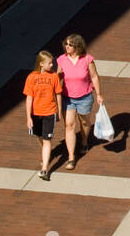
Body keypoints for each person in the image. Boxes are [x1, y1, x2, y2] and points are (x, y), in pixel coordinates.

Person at [57, 34, 103, 170]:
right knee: (69, 125)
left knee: (84, 122)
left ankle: (84, 141)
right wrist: (56, 95)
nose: (67, 46)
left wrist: (99, 94)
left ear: (77, 46)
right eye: (66, 44)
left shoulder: (87, 59)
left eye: (70, 45)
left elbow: (94, 76)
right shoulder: (62, 60)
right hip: (67, 98)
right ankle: (71, 157)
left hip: (84, 97)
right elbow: (58, 78)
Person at [23, 50, 63, 181]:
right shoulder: (31, 77)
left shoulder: (54, 77)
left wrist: (59, 110)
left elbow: (58, 94)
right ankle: (47, 153)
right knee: (40, 136)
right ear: (41, 64)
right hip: (36, 113)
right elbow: (29, 98)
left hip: (49, 113)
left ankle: (45, 168)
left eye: (53, 63)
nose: (52, 65)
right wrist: (28, 116)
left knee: (47, 140)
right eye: (50, 63)